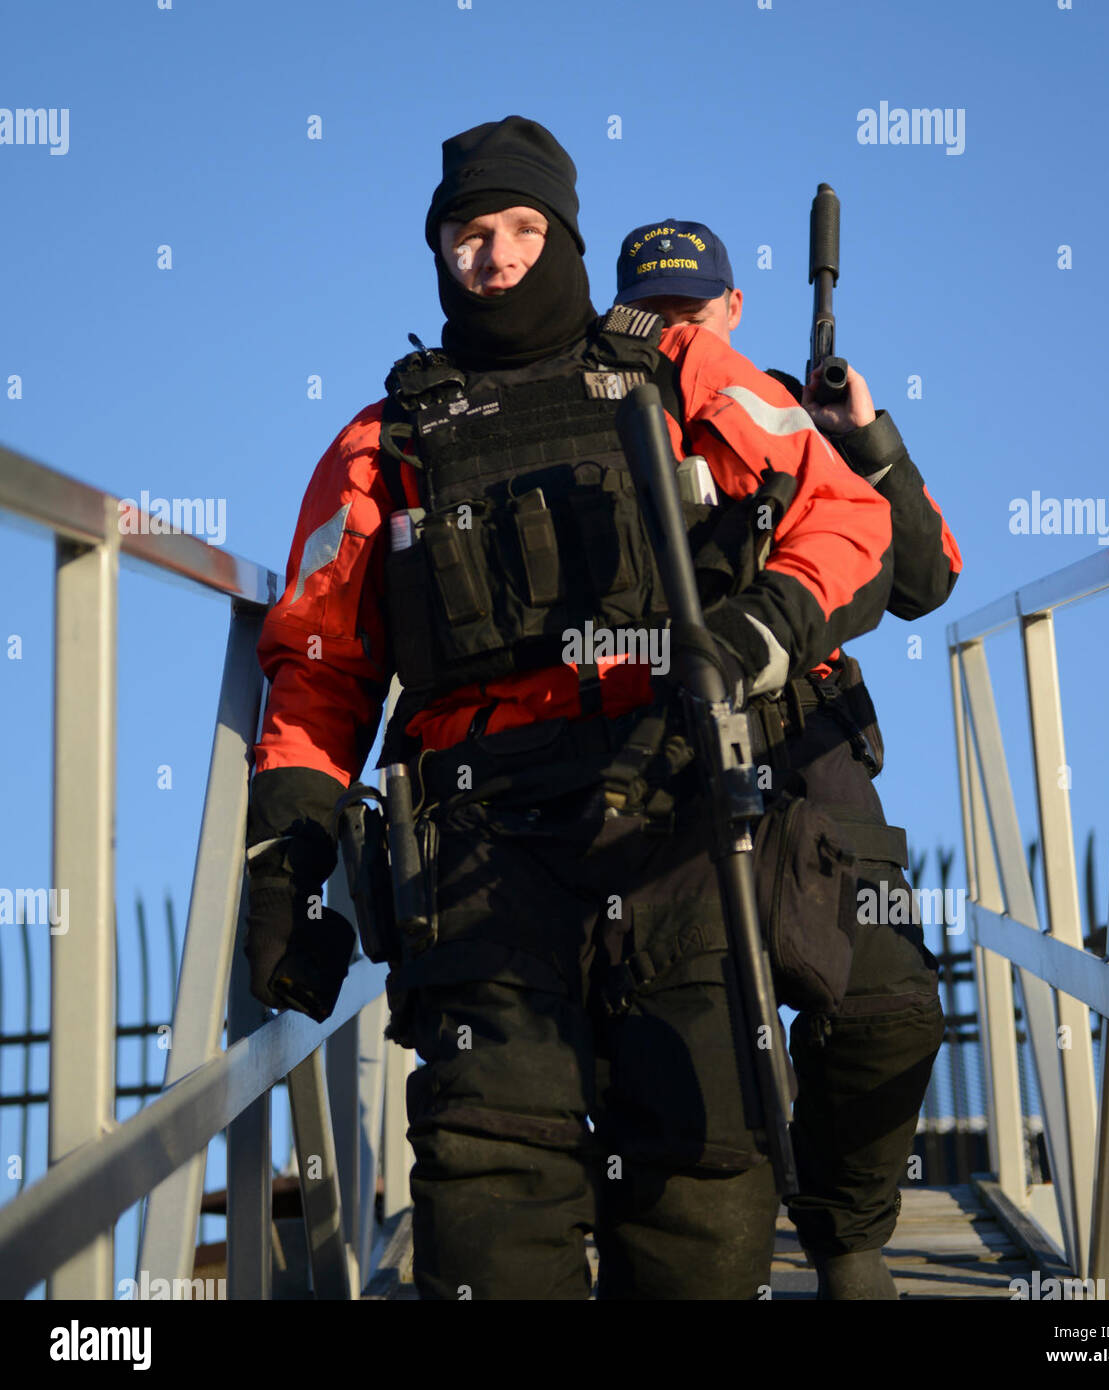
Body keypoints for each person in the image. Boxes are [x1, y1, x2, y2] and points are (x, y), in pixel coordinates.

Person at [241, 119, 896, 1301]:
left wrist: (757, 632)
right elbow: (320, 663)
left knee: (701, 1179)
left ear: (565, 235)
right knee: (487, 1194)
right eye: (467, 235)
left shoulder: (676, 367)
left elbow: (845, 514)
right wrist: (286, 860)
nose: (494, 257)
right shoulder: (382, 438)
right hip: (479, 858)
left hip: (675, 829)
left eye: (520, 229)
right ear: (438, 251)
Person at [614, 219, 962, 1298]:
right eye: (655, 308)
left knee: (891, 1007)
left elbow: (923, 581)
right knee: (691, 1034)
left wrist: (870, 442)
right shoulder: (597, 413)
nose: (678, 327)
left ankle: (846, 1235)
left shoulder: (783, 419)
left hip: (809, 744)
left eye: (693, 307)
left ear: (731, 310)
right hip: (664, 747)